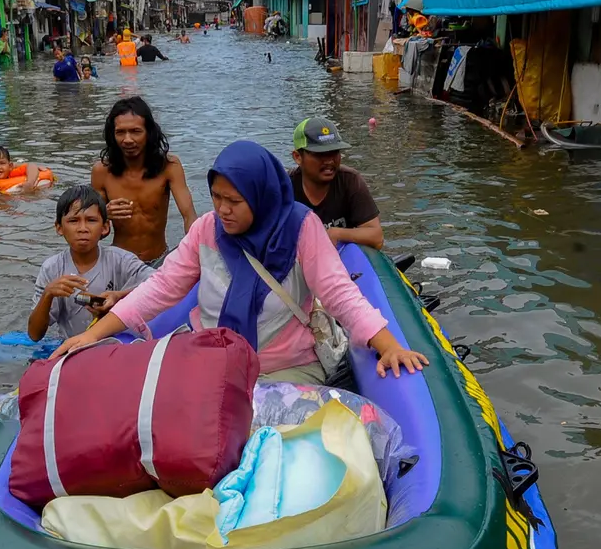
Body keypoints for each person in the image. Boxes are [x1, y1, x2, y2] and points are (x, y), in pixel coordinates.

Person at [56, 141, 429, 383]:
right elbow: (162, 288)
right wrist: (90, 336)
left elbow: (339, 294)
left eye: (234, 201)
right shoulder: (206, 230)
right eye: (216, 197)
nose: (222, 210)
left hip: (284, 368)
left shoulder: (301, 229)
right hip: (210, 360)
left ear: (261, 195)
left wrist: (389, 345)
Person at [29, 185, 154, 340]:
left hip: (117, 344)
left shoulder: (121, 260)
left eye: (91, 220)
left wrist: (119, 296)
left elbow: (161, 283)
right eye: (73, 221)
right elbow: (34, 334)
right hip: (73, 348)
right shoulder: (52, 268)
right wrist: (47, 295)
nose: (83, 228)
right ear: (59, 228)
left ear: (105, 227)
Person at [91, 97, 198, 266]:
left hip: (160, 261)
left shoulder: (169, 166)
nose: (127, 139)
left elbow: (189, 217)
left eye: (135, 131)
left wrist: (194, 257)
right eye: (120, 132)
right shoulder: (102, 171)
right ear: (112, 135)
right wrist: (102, 215)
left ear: (149, 132)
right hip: (119, 263)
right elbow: (91, 233)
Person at [289, 117, 384, 249]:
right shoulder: (285, 187)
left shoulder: (350, 180)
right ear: (298, 157)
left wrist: (337, 233)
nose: (329, 161)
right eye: (320, 154)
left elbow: (376, 237)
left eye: (334, 153)